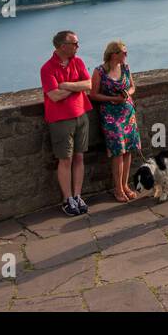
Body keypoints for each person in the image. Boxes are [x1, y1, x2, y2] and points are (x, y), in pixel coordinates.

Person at [40, 30, 93, 217]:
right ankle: (67, 199)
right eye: (75, 43)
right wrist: (77, 85)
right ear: (63, 46)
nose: (78, 46)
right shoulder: (47, 68)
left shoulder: (78, 62)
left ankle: (77, 195)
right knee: (65, 160)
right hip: (60, 119)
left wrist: (67, 85)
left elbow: (89, 85)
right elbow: (54, 96)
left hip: (81, 115)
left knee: (79, 157)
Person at [90, 40, 141, 203]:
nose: (126, 55)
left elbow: (133, 87)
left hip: (127, 113)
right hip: (110, 115)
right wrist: (113, 99)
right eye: (123, 53)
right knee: (118, 151)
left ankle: (125, 185)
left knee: (128, 150)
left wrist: (127, 93)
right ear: (114, 54)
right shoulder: (99, 71)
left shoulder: (126, 68)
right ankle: (117, 189)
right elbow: (94, 94)